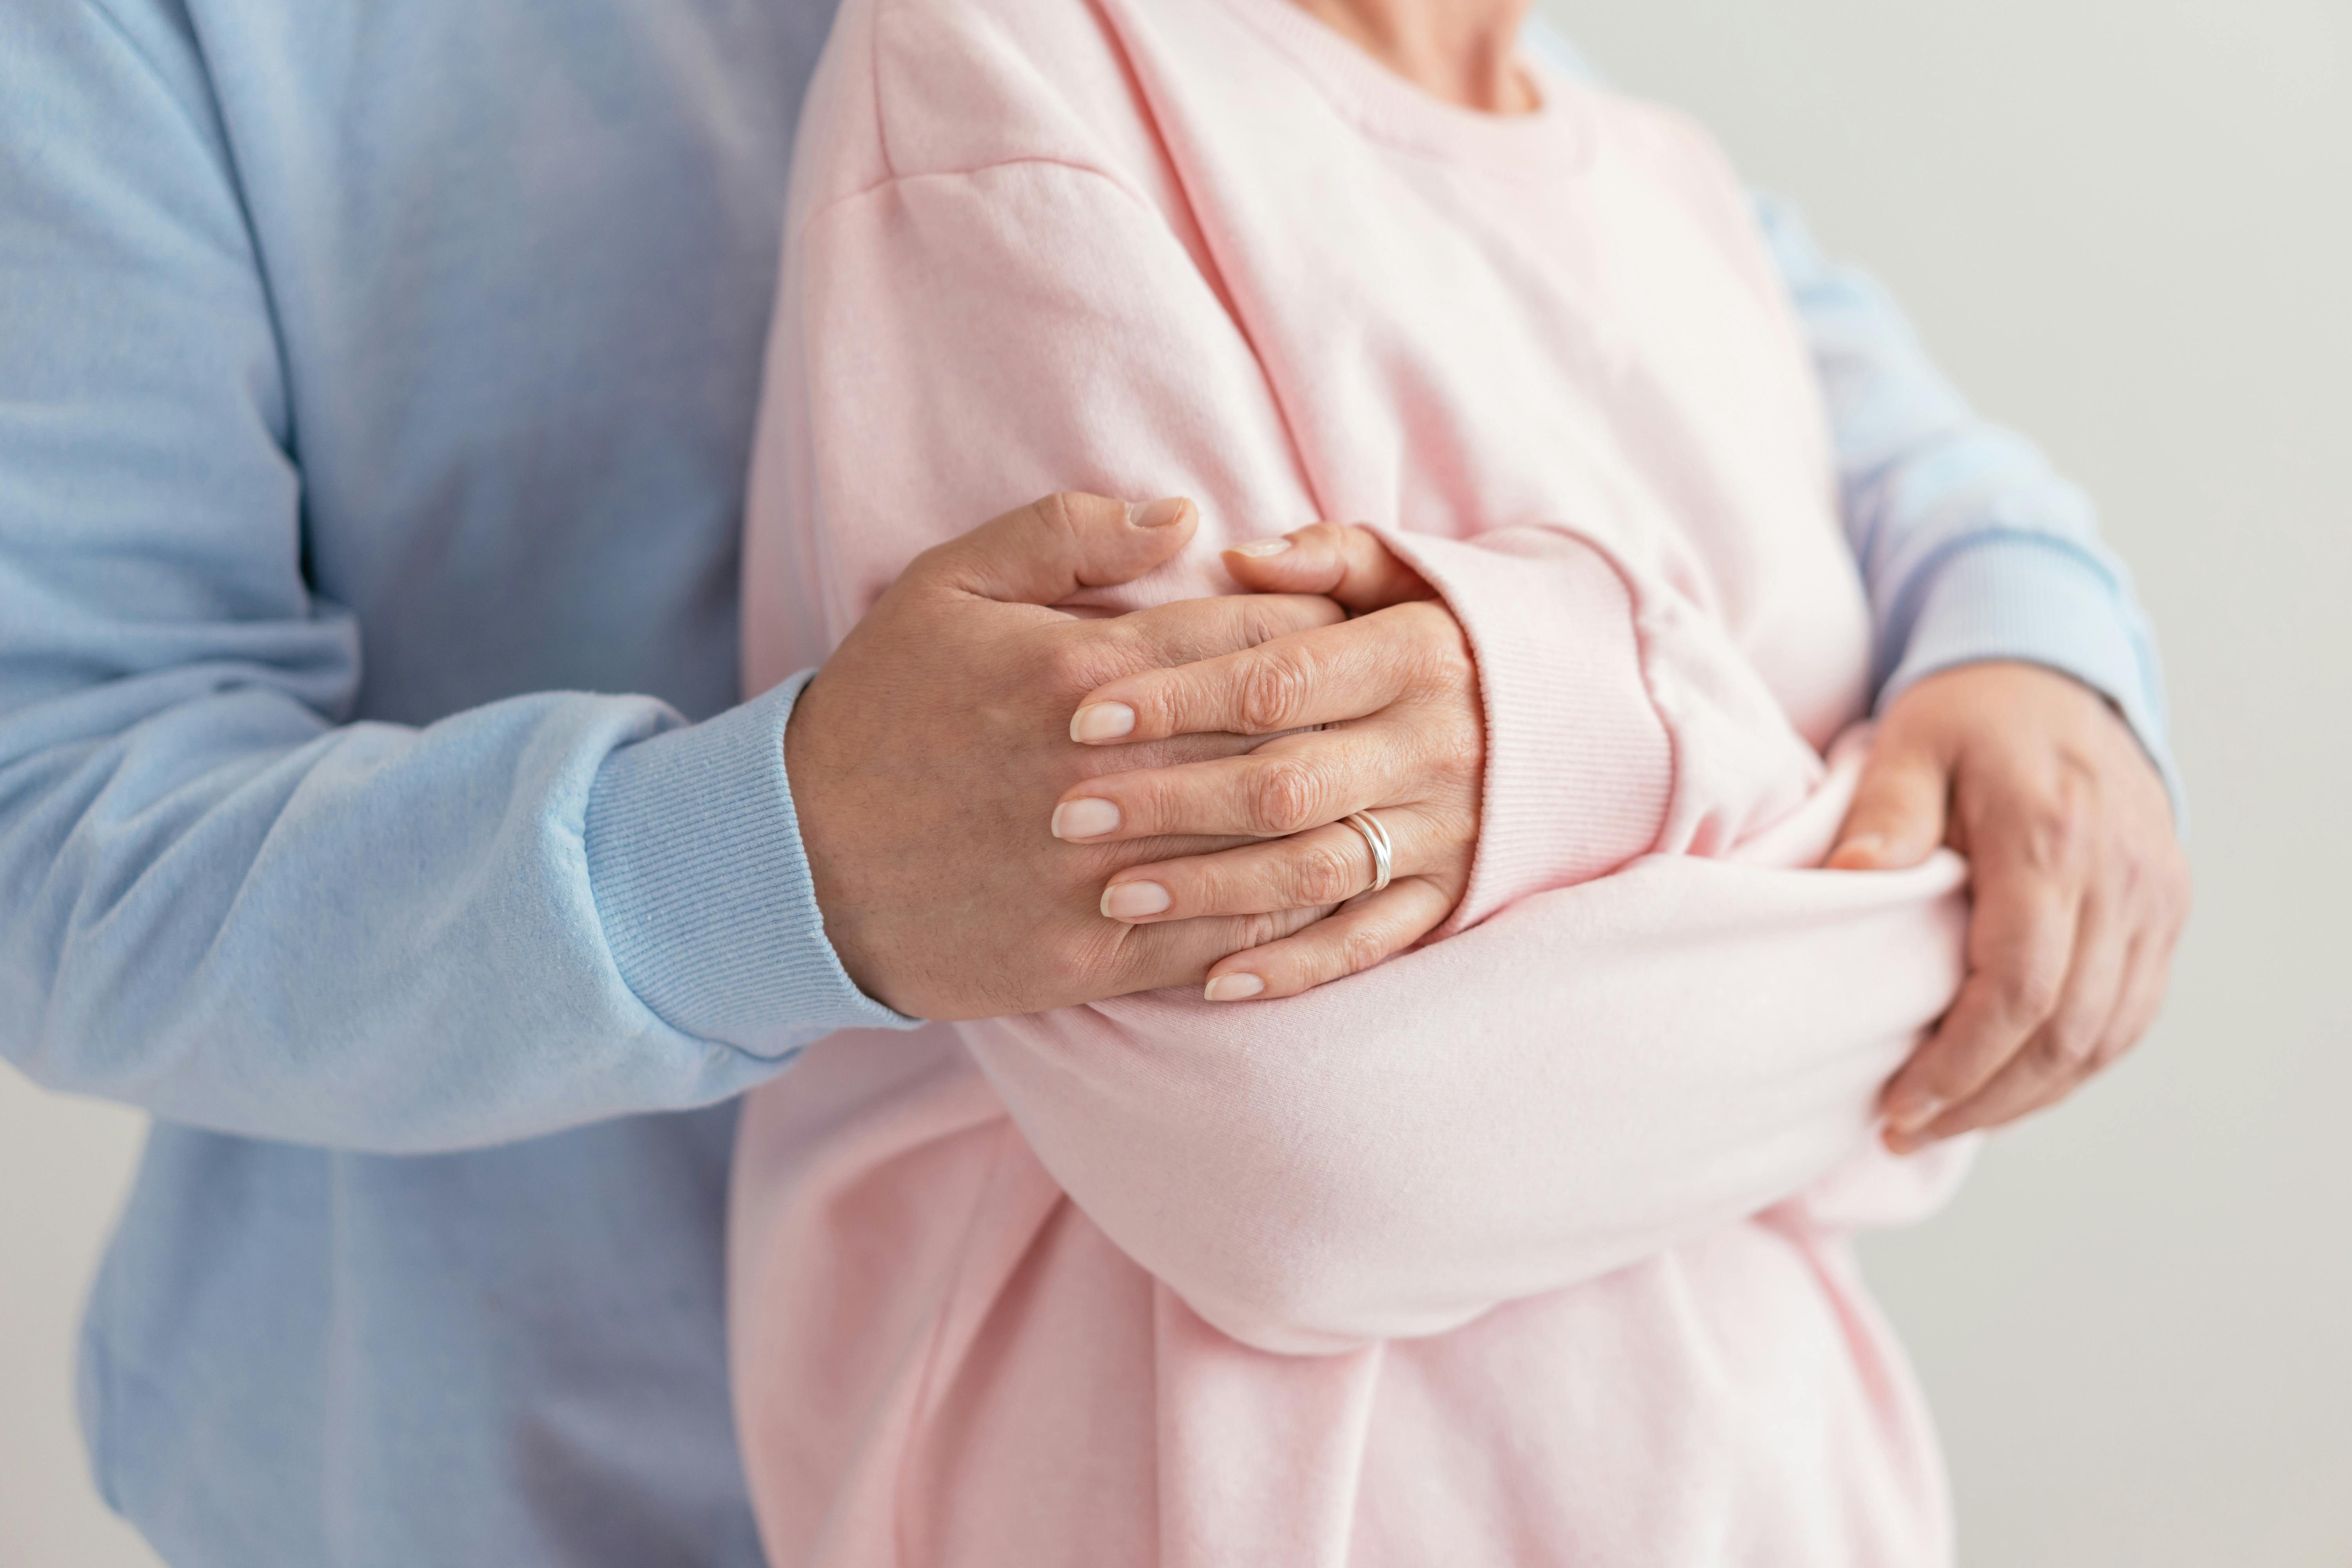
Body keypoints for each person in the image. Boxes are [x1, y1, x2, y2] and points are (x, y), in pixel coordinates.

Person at [0, 0, 2185, 1563]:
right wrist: (784, 869)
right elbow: (53, 825)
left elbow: (1742, 322)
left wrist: (2029, 635)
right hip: (475, 1491)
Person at [719, 0, 2147, 1558]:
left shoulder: (1679, 193)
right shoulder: (1009, 67)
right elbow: (1304, 1169)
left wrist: (1665, 769)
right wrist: (1891, 920)